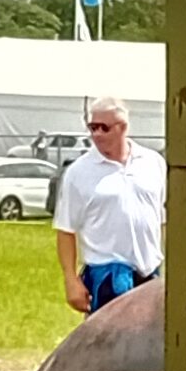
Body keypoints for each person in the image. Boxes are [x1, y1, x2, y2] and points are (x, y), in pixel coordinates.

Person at [55, 95, 165, 314]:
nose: (96, 134)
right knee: (110, 343)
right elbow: (65, 230)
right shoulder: (79, 172)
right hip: (107, 274)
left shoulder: (153, 163)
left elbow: (163, 218)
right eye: (92, 127)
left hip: (149, 271)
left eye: (104, 128)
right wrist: (70, 279)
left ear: (123, 127)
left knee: (150, 342)